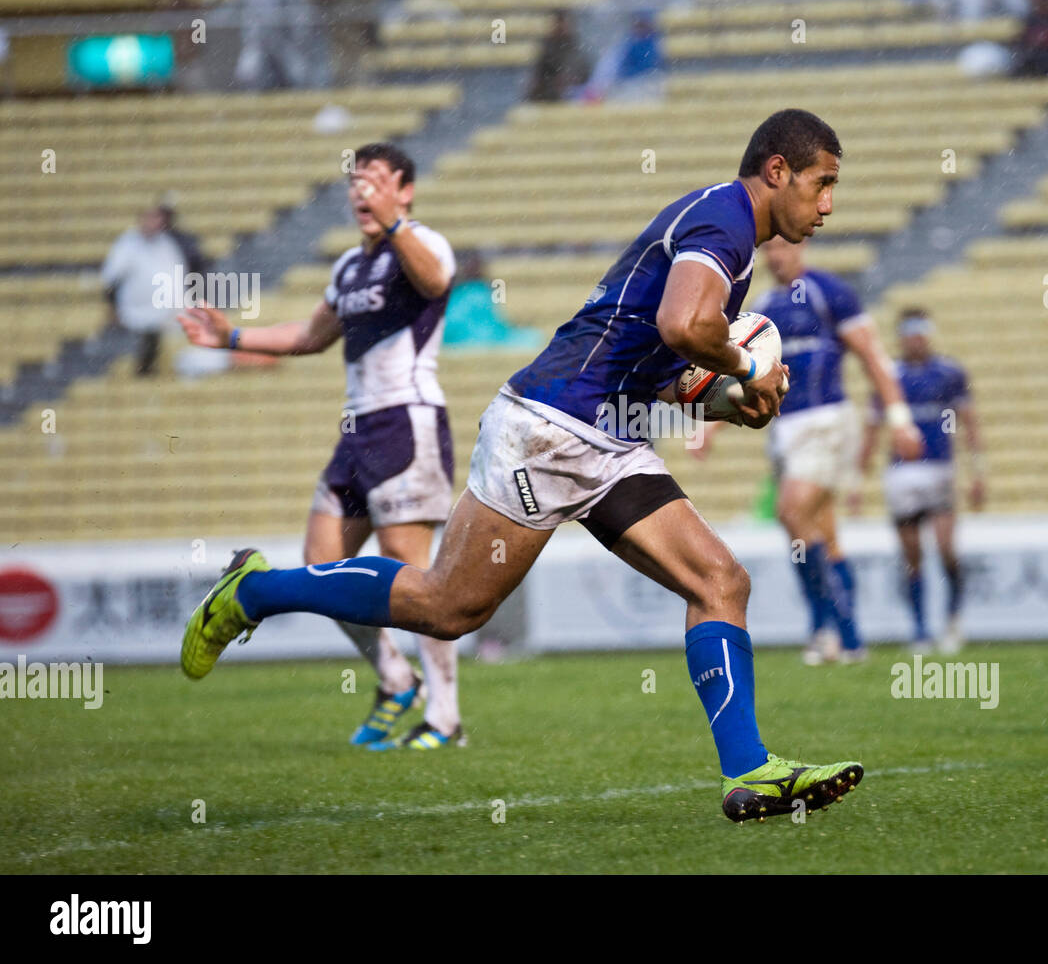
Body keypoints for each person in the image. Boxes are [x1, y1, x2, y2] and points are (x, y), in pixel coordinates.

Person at [182, 109, 866, 823]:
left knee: (720, 580)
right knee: (448, 607)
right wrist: (745, 365)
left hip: (604, 434)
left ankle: (751, 771)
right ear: (777, 171)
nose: (827, 206)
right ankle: (254, 593)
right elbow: (683, 329)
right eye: (822, 184)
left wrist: (728, 401)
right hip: (551, 426)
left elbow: (656, 369)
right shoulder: (721, 217)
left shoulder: (731, 240)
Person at [179, 142, 467, 750]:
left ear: (405, 190)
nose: (361, 190)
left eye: (377, 180)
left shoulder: (423, 243)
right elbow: (311, 336)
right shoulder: (347, 268)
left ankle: (446, 719)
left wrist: (392, 221)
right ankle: (395, 679)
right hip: (356, 431)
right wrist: (231, 335)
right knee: (320, 568)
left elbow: (437, 279)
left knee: (414, 581)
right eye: (355, 181)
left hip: (406, 423)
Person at [690, 237, 921, 666]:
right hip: (785, 431)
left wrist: (900, 417)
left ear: (800, 247)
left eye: (783, 248)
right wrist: (713, 427)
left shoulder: (829, 292)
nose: (776, 256)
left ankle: (825, 628)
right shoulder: (763, 309)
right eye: (769, 250)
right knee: (821, 533)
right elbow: (747, 378)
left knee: (790, 511)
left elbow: (871, 354)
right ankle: (849, 641)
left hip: (826, 421)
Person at [860, 309, 984, 655]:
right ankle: (919, 630)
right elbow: (872, 427)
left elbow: (969, 424)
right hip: (902, 473)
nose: (916, 338)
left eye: (921, 330)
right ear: (900, 336)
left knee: (946, 549)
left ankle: (953, 619)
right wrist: (857, 478)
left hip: (940, 469)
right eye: (909, 331)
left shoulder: (949, 373)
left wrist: (977, 472)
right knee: (912, 554)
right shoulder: (889, 376)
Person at [101, 205, 186, 377]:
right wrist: (112, 307)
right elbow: (112, 278)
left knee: (159, 346)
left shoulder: (166, 245)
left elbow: (177, 275)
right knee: (140, 348)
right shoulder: (127, 245)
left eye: (156, 219)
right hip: (133, 311)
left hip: (161, 311)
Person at [526, 10, 590, 103]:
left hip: (572, 101)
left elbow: (584, 78)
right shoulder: (546, 52)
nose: (561, 28)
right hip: (549, 101)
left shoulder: (577, 51)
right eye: (558, 24)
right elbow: (535, 84)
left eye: (563, 24)